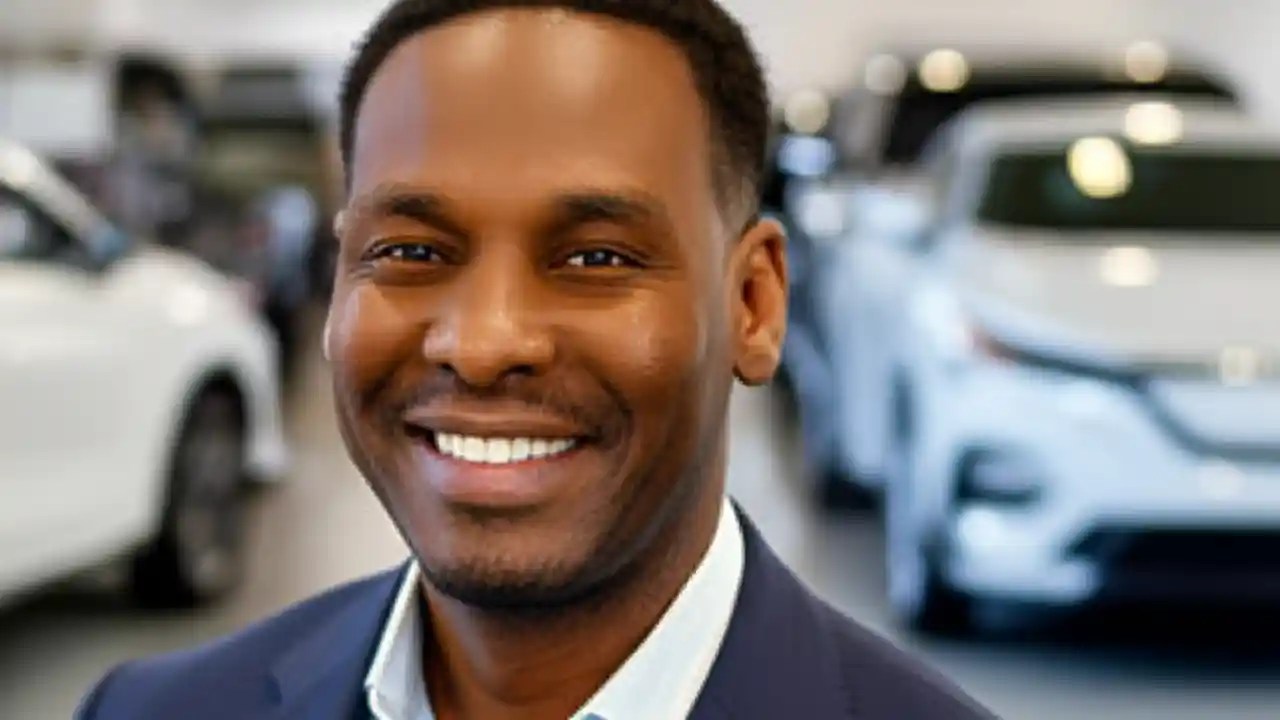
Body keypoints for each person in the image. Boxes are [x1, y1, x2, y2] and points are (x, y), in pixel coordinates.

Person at [77, 2, 996, 718]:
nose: (482, 344)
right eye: (411, 253)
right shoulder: (152, 711)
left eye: (596, 258)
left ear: (752, 304)